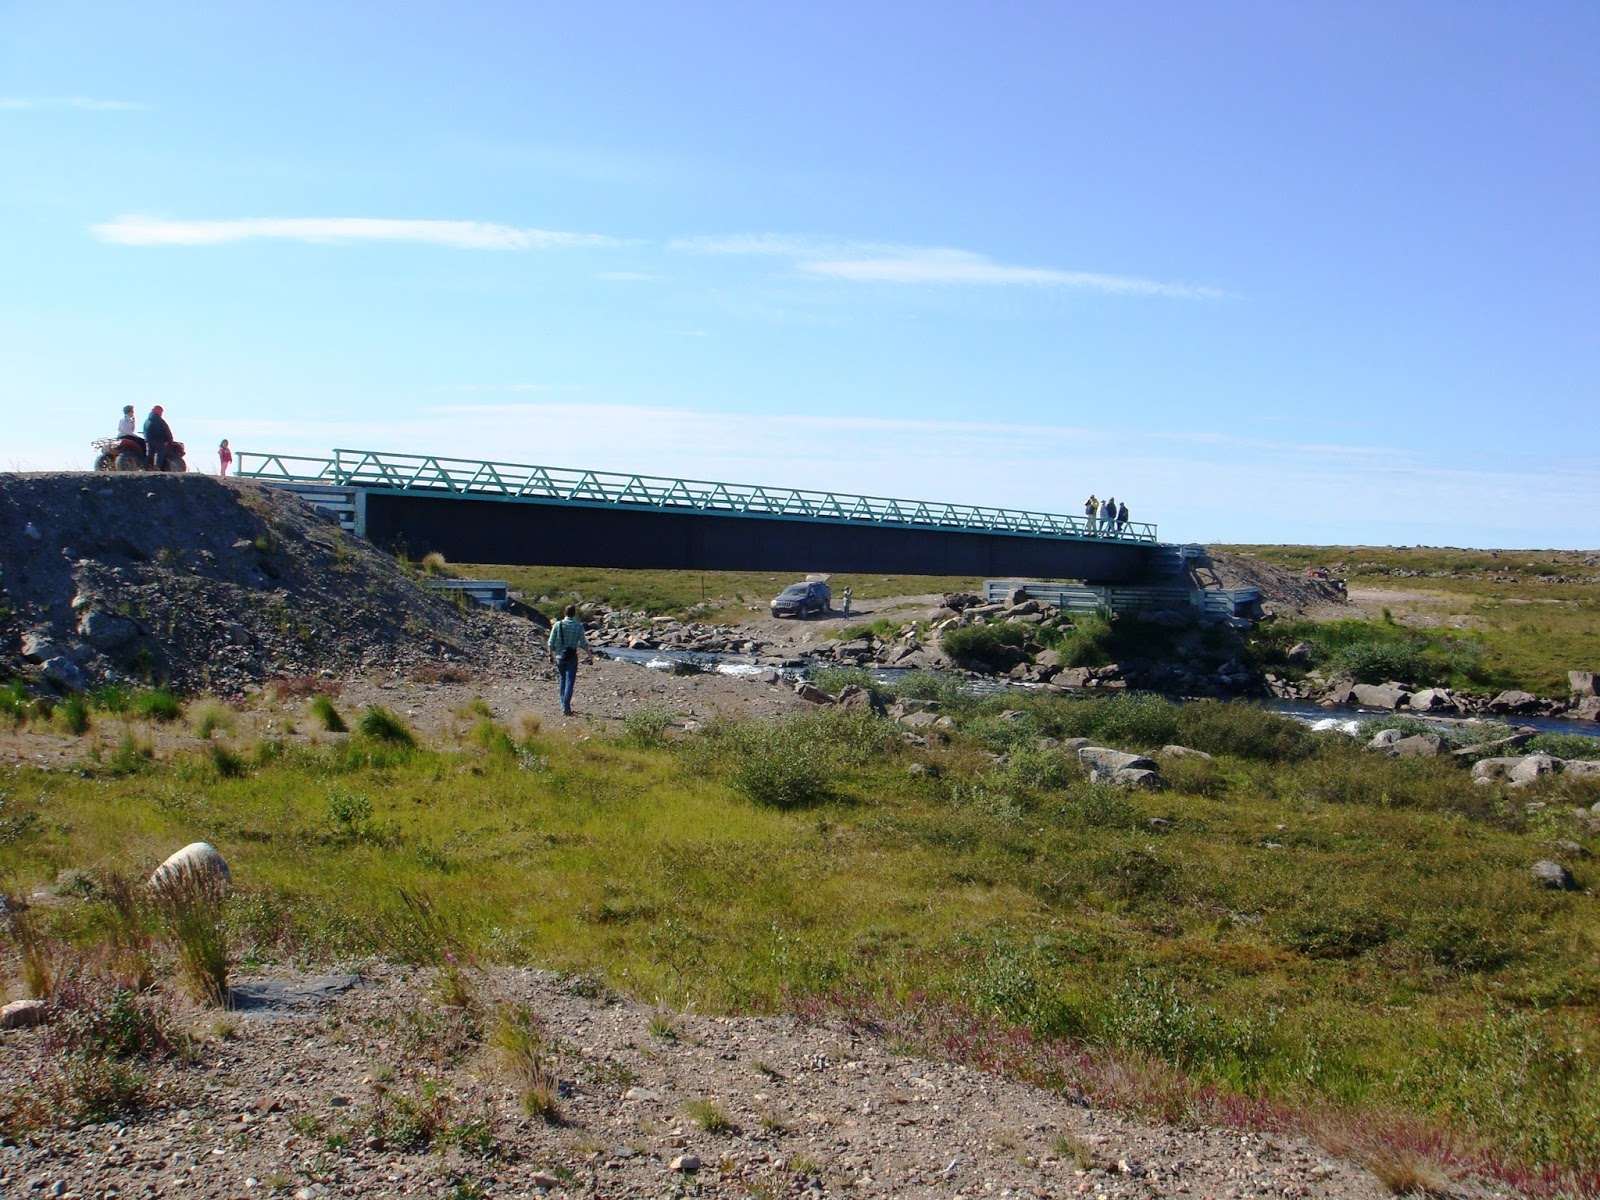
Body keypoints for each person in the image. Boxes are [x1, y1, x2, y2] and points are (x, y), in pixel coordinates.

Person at [546, 604, 595, 716]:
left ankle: (563, 704)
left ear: (565, 613)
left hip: (559, 656)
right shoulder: (578, 626)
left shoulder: (558, 625)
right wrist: (590, 655)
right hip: (572, 656)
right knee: (570, 681)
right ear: (574, 613)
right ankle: (565, 706)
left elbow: (550, 642)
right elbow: (583, 643)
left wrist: (550, 655)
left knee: (562, 679)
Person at [143, 405, 173, 471]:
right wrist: (170, 440)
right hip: (160, 441)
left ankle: (144, 467)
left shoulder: (146, 421)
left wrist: (147, 439)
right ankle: (157, 468)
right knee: (159, 455)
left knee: (149, 454)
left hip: (149, 441)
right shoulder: (160, 421)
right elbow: (166, 431)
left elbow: (145, 431)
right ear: (159, 412)